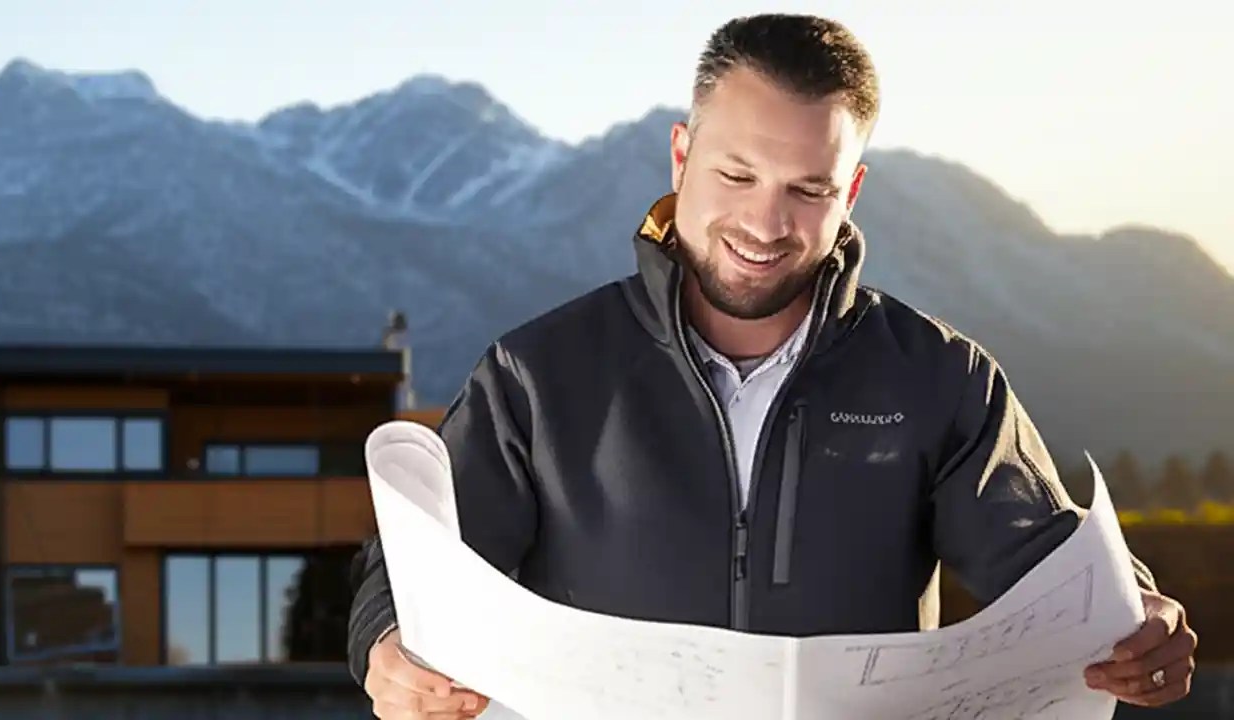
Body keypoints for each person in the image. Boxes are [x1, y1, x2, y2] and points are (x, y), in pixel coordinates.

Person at [348, 13, 1197, 719]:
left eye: (808, 189)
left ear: (851, 191)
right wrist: (387, 643)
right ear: (681, 157)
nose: (766, 222)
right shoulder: (537, 376)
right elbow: (413, 559)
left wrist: (1138, 617)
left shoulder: (941, 380)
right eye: (737, 173)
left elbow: (1059, 575)